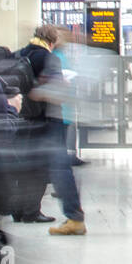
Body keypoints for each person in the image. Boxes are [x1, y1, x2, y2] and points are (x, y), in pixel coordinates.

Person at [17, 24, 85, 235]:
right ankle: (74, 217)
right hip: (50, 118)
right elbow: (56, 90)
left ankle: (24, 210)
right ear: (52, 41)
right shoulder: (49, 58)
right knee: (59, 167)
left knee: (30, 165)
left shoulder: (20, 54)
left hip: (26, 118)